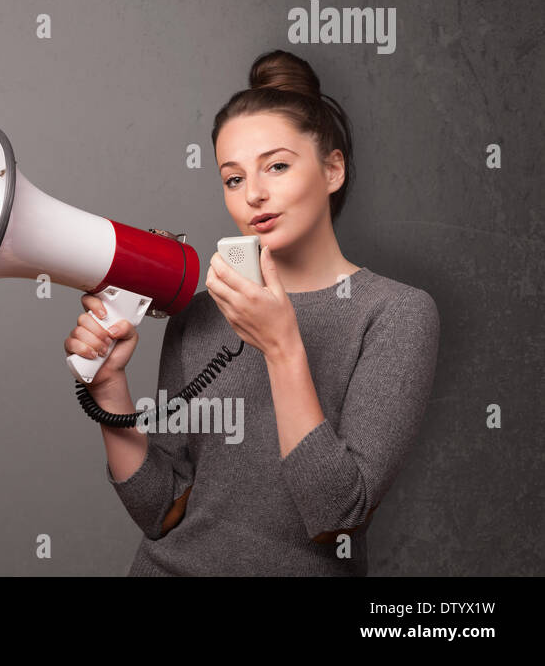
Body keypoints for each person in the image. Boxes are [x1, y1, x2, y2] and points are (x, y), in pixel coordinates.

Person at [64, 49, 439, 576]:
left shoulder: (395, 315)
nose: (254, 195)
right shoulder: (200, 316)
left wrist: (283, 348)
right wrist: (109, 392)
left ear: (333, 170)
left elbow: (337, 517)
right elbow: (160, 511)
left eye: (278, 166)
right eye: (234, 179)